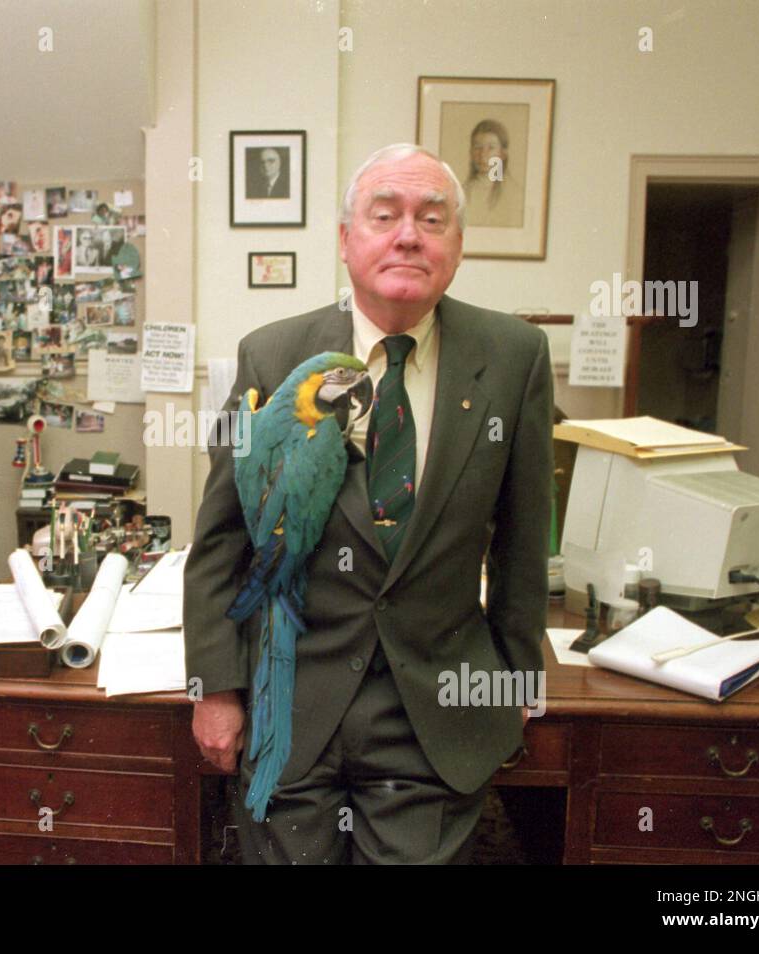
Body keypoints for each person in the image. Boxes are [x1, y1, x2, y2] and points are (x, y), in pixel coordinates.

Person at [184, 143, 552, 864]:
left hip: (435, 711)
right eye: (385, 215)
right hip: (289, 701)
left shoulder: (515, 356)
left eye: (432, 218)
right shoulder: (271, 356)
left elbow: (524, 538)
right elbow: (222, 539)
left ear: (458, 245)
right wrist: (215, 686)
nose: (408, 234)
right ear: (347, 241)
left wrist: (513, 680)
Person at [462, 119, 525, 228]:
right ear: (471, 152)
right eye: (478, 147)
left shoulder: (515, 193)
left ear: (502, 154)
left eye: (491, 148)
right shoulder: (463, 192)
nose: (483, 154)